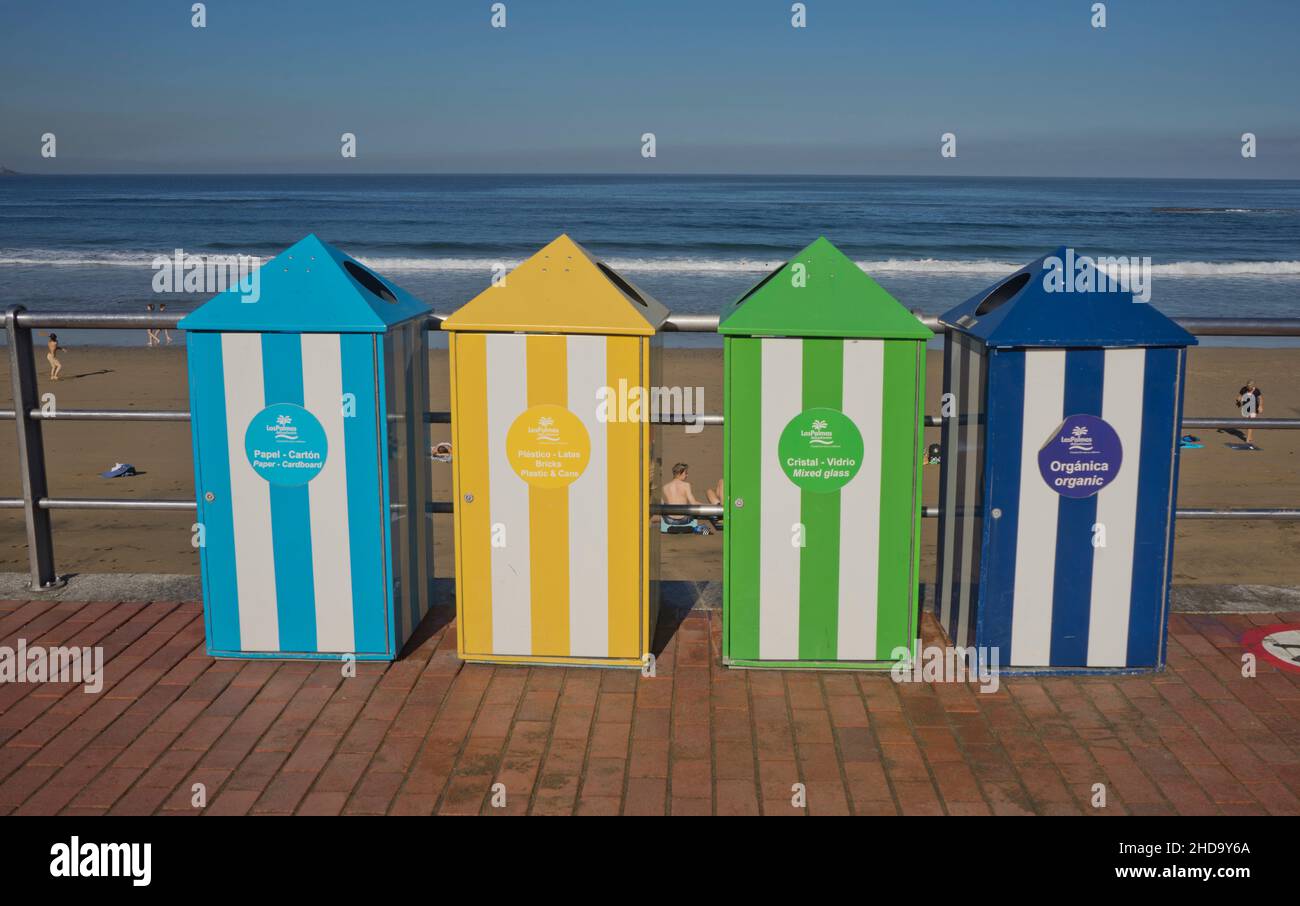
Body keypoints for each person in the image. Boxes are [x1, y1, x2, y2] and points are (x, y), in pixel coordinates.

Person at [660, 462, 713, 534]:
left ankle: (666, 527)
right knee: (691, 507)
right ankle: (694, 528)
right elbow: (693, 503)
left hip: (669, 520)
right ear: (679, 473)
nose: (687, 475)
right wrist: (710, 507)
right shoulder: (686, 485)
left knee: (663, 505)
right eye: (686, 473)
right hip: (684, 520)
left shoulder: (665, 487)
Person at [1237, 380, 1263, 447]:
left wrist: (1260, 406)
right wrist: (1238, 400)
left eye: (1250, 387)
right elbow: (1239, 396)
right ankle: (1250, 436)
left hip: (1254, 408)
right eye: (1248, 387)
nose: (1248, 388)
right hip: (1246, 408)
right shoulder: (1244, 389)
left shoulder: (1256, 391)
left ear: (1253, 386)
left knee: (1250, 423)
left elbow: (1260, 399)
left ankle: (1248, 440)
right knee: (1246, 423)